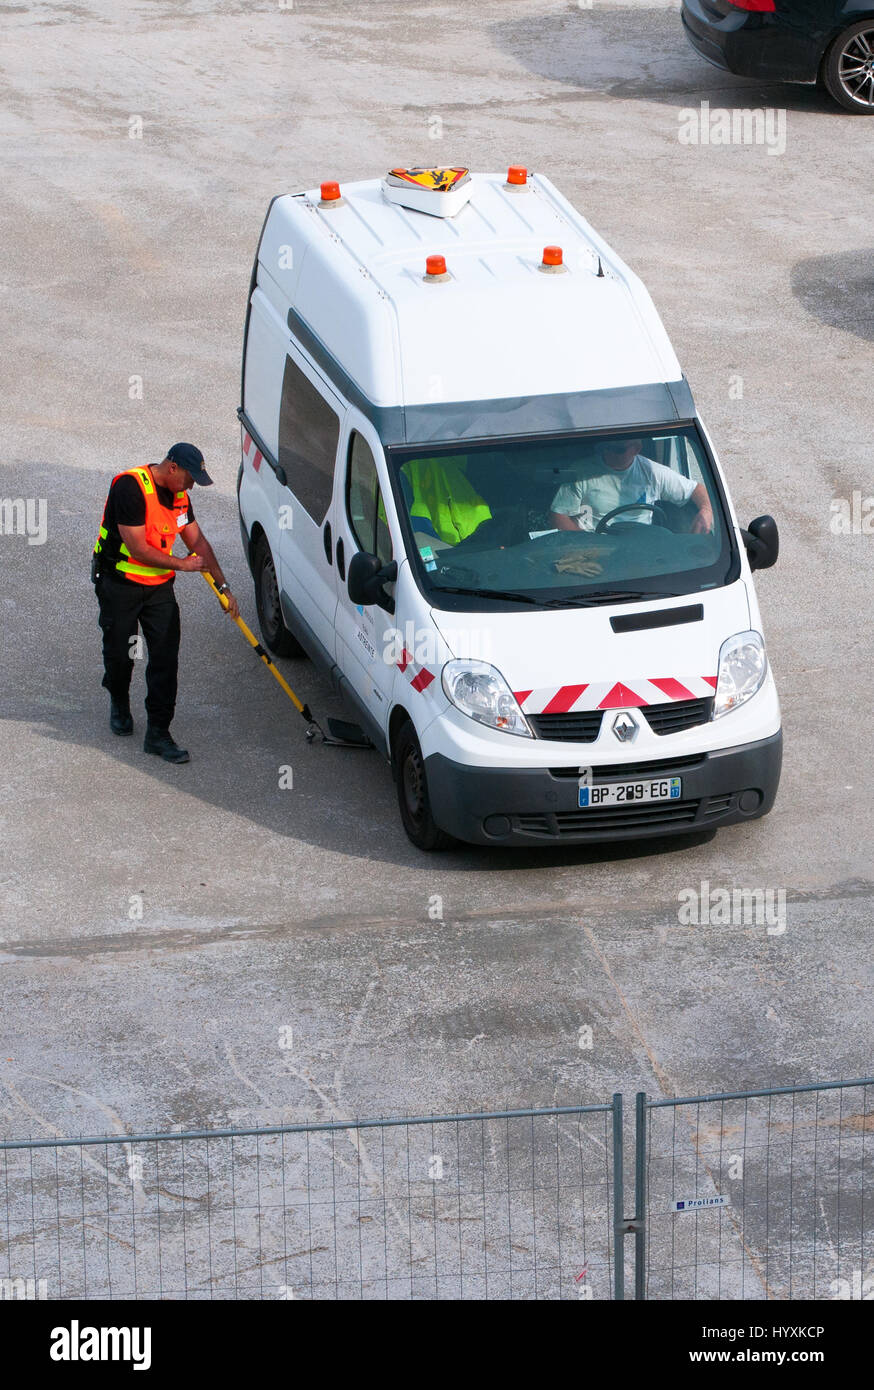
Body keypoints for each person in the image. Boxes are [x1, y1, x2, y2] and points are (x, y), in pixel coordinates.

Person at [92, 443, 240, 764]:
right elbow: (138, 548)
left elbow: (198, 542)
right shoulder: (129, 488)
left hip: (158, 589)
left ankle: (158, 733)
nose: (191, 486)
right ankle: (119, 699)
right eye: (190, 478)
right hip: (120, 585)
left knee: (164, 659)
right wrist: (184, 565)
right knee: (120, 654)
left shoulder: (180, 497)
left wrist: (223, 586)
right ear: (172, 467)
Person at [549, 437, 713, 535]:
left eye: (618, 449)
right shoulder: (581, 471)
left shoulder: (652, 472)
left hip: (640, 545)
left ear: (636, 449)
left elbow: (696, 489)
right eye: (606, 447)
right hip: (594, 546)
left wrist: (706, 510)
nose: (609, 453)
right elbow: (558, 516)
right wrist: (584, 544)